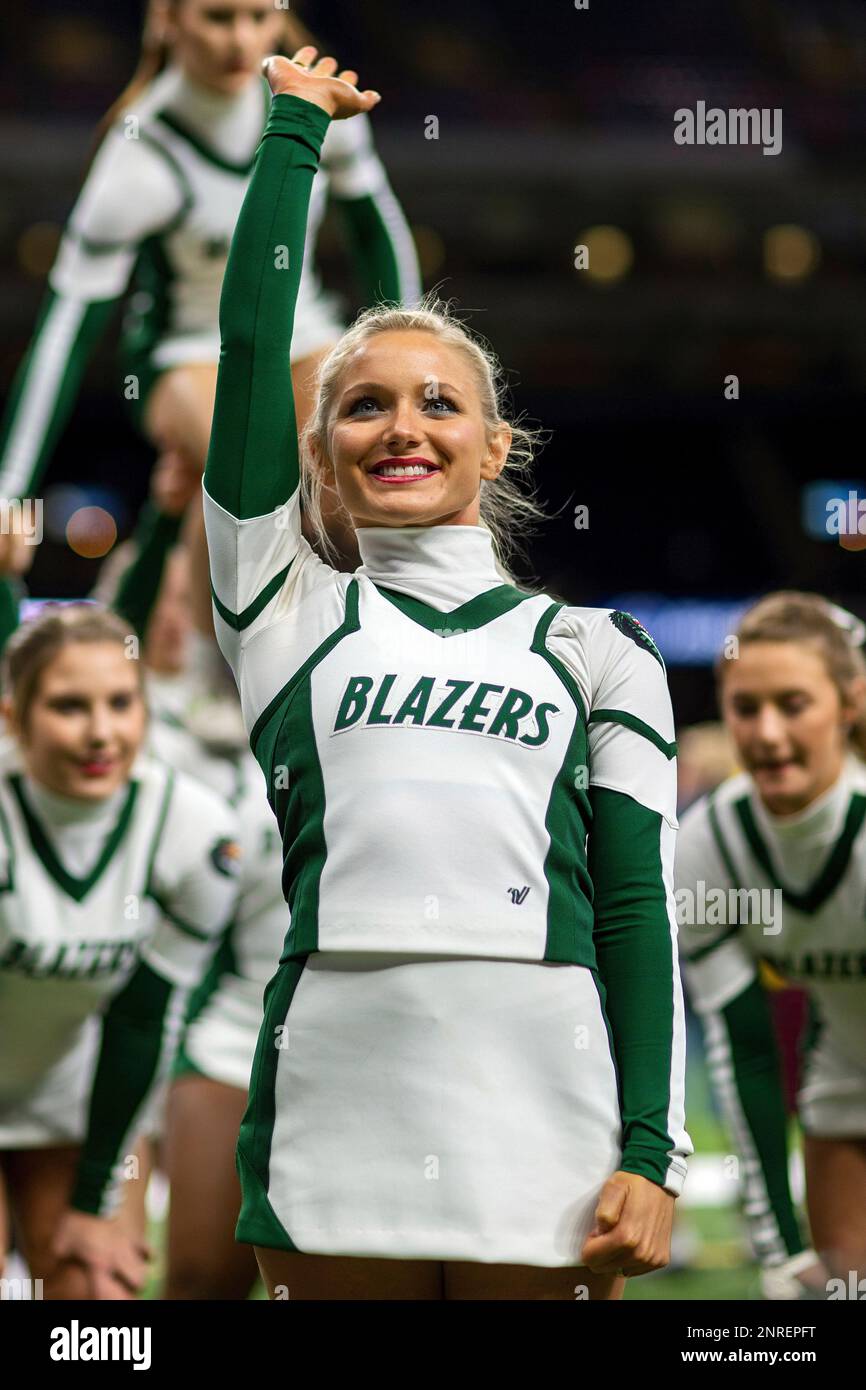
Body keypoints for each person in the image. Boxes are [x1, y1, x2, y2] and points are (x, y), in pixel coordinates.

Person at [202, 46, 691, 1301]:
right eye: (362, 407)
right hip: (335, 1078)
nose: (402, 426)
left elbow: (636, 911)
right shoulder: (283, 609)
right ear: (320, 454)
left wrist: (653, 1148)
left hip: (543, 1095)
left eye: (436, 403)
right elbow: (254, 347)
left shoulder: (598, 651)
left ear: (493, 443)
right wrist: (292, 140)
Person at [0, 0, 421, 570]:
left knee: (371, 495)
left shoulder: (318, 98)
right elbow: (65, 332)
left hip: (309, 334)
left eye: (258, 16)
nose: (241, 41)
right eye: (218, 18)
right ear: (167, 19)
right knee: (265, 490)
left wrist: (420, 358)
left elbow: (377, 230)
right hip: (187, 354)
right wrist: (11, 490)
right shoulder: (139, 157)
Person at [0, 599, 241, 1298]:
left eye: (121, 703)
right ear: (14, 719)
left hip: (78, 1101)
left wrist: (91, 1201)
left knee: (99, 1306)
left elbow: (142, 1018)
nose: (102, 733)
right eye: (70, 707)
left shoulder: (193, 832)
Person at [675, 592, 866, 1297]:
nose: (768, 733)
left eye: (794, 704)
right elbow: (744, 1048)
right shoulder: (709, 844)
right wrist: (781, 1248)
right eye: (745, 707)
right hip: (842, 1087)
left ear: (850, 704)